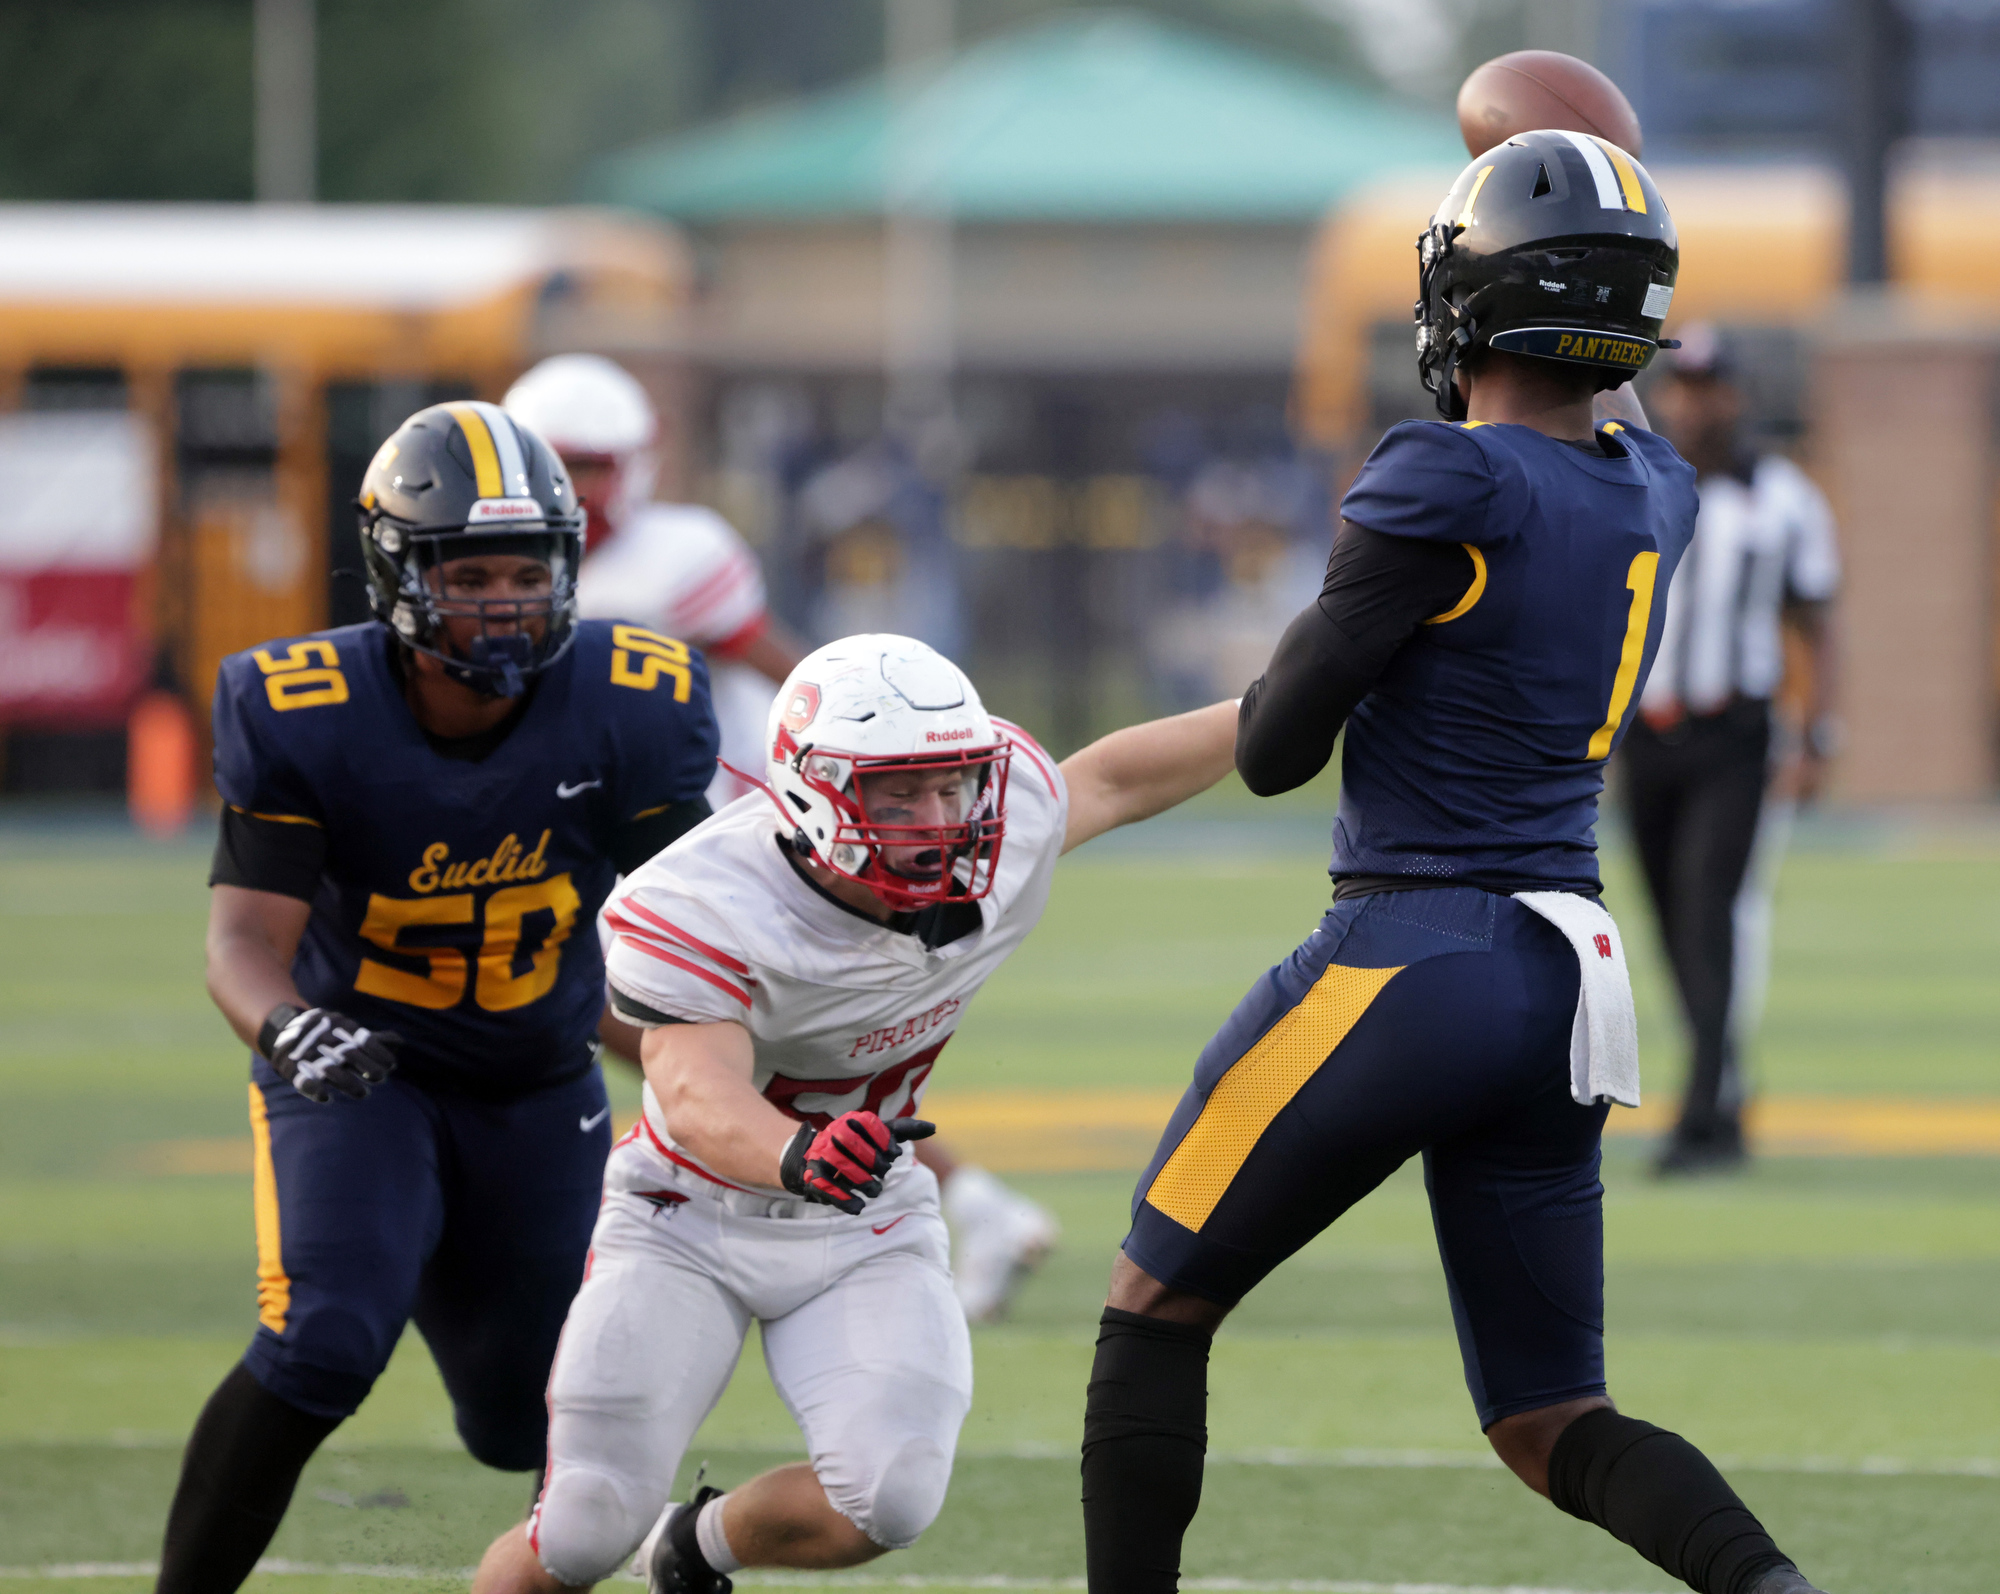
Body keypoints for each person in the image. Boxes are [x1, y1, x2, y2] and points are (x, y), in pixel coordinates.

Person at [1078, 133, 1830, 1594]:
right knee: (1554, 1417)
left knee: (1152, 1300)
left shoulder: (1442, 473)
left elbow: (1284, 742)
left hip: (1417, 950)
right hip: (1569, 980)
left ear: (1473, 300)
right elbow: (1621, 403)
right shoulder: (1656, 489)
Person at [466, 634, 1238, 1594]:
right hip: (687, 1215)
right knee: (582, 1530)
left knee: (890, 1496)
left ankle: (692, 1548)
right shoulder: (700, 900)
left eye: (952, 786)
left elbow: (1114, 779)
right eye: (896, 795)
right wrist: (800, 1152)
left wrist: (1298, 699)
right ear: (812, 791)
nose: (937, 820)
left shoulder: (1001, 829)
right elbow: (698, 1096)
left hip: (864, 1211)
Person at [154, 400, 720, 1594]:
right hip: (362, 1075)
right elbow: (242, 939)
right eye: (470, 574)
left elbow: (698, 926)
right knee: (323, 1341)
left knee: (544, 1417)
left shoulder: (636, 696)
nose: (505, 601)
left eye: (528, 570)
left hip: (536, 1083)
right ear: (398, 574)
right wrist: (288, 1026)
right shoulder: (300, 704)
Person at [504, 354, 1058, 1319]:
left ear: (635, 462)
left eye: (596, 463)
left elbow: (803, 670)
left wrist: (882, 761)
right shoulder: (498, 568)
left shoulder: (677, 552)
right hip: (571, 833)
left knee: (751, 1047)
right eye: (562, 462)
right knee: (666, 1036)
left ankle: (903, 1197)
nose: (582, 487)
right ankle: (957, 1197)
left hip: (701, 832)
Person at [1626, 323, 1841, 1176]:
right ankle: (1724, 1088)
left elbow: (1816, 625)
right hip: (1650, 732)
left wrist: (1818, 733)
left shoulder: (1783, 497)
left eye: (1709, 387)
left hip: (1735, 732)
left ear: (1737, 396)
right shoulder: (1639, 481)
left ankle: (1703, 1115)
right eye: (1682, 386)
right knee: (1670, 922)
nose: (1693, 402)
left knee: (1707, 910)